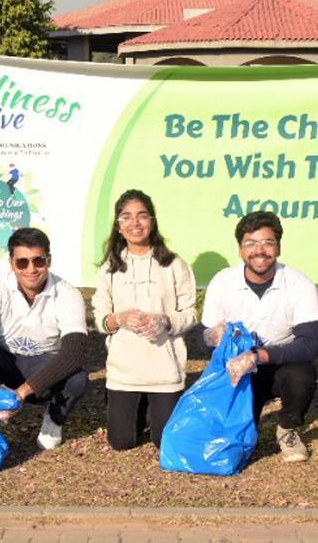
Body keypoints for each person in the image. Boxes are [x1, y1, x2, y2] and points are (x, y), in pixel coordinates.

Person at [0, 227, 90, 450]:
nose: (31, 269)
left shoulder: (67, 293)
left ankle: (54, 420)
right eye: (22, 262)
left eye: (38, 261)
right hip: (2, 363)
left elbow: (76, 351)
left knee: (78, 378)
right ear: (11, 264)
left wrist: (22, 392)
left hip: (41, 367)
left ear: (49, 260)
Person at [200, 211, 318, 463]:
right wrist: (214, 337)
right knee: (238, 442)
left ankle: (288, 428)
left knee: (302, 374)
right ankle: (243, 424)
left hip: (281, 364)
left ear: (278, 247)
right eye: (251, 243)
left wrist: (259, 355)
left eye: (268, 243)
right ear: (240, 250)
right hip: (239, 369)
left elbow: (309, 344)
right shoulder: (222, 282)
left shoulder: (299, 283)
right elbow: (205, 340)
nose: (259, 250)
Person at [92, 190, 199, 451]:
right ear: (118, 225)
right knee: (121, 442)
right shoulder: (109, 268)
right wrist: (119, 318)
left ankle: (154, 408)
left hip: (164, 370)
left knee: (164, 442)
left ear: (152, 221)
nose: (135, 223)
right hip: (124, 371)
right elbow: (100, 321)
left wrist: (166, 320)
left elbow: (191, 314)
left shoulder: (174, 264)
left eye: (142, 216)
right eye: (126, 217)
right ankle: (137, 409)